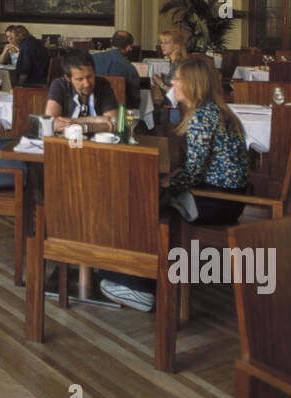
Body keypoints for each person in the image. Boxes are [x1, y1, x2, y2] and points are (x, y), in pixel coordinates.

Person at [99, 57, 249, 312]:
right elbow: (198, 169)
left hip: (217, 200)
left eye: (177, 79)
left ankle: (137, 285)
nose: (172, 84)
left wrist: (164, 185)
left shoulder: (202, 116)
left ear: (192, 84)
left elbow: (193, 173)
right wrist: (169, 181)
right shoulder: (213, 111)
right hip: (226, 196)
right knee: (149, 197)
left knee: (143, 205)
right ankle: (132, 275)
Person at [44, 49, 119, 135]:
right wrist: (95, 120)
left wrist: (83, 126)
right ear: (68, 78)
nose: (87, 84)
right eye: (80, 79)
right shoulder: (59, 85)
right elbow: (52, 123)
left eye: (90, 77)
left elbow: (114, 122)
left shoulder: (103, 84)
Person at [91, 30, 143, 109]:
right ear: (129, 47)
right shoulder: (130, 68)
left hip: (93, 108)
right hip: (119, 111)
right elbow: (135, 101)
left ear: (111, 41)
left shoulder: (92, 59)